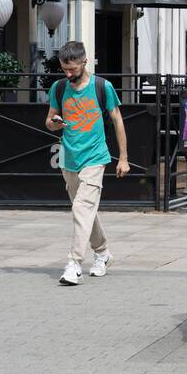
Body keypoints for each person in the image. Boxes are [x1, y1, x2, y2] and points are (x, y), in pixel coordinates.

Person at [45, 41, 129, 285]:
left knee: (81, 209)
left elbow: (117, 120)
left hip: (95, 157)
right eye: (64, 69)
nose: (68, 74)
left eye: (72, 69)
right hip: (69, 158)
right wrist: (55, 124)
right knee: (86, 212)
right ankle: (102, 253)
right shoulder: (59, 88)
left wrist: (123, 158)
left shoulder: (103, 86)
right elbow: (49, 121)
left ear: (84, 61)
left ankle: (74, 263)